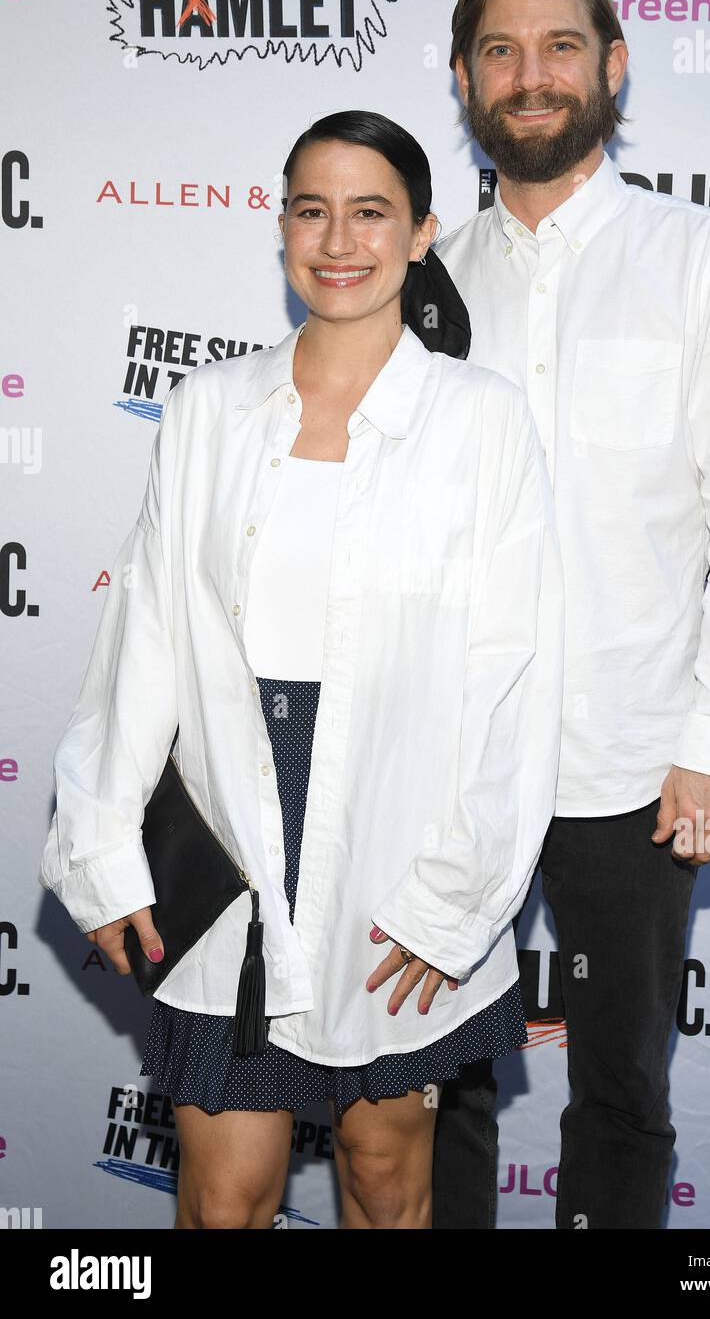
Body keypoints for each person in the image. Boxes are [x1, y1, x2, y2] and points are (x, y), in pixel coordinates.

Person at [38, 110, 565, 1230]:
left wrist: (455, 898)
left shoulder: (483, 424)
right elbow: (147, 640)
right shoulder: (208, 411)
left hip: (398, 842)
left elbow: (512, 677)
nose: (338, 239)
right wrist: (99, 844)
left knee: (385, 1175)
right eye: (311, 209)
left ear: (423, 231)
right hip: (228, 836)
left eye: (370, 211)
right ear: (281, 227)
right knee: (225, 1200)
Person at [431, 0, 710, 1230]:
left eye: (558, 47)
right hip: (446, 768)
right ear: (464, 80)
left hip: (635, 774)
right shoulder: (425, 290)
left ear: (612, 67)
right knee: (434, 1089)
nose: (529, 76)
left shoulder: (700, 258)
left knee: (617, 1093)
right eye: (499, 50)